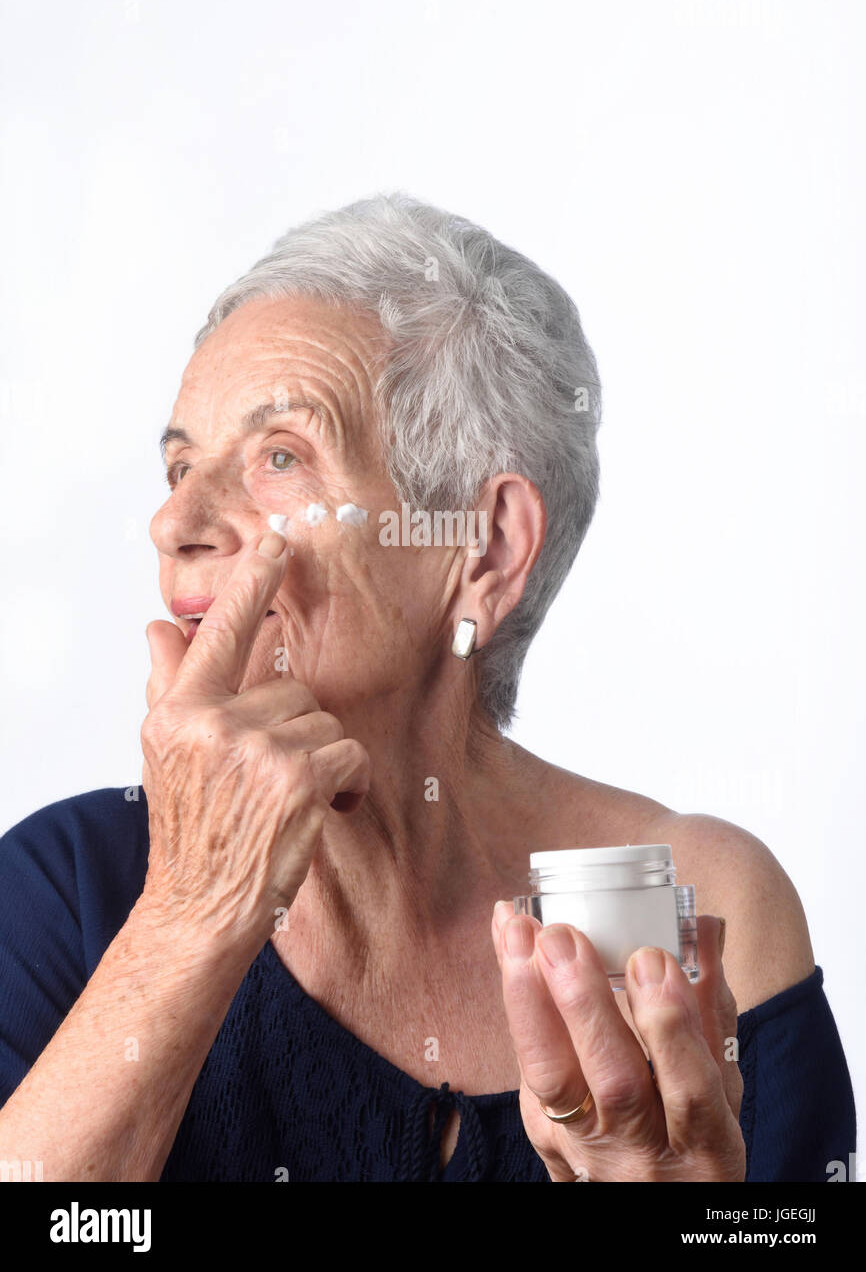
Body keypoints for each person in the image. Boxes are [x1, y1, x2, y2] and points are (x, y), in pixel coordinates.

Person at [0, 193, 855, 1181]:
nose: (176, 520)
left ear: (482, 547)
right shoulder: (66, 890)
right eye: (181, 464)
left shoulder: (696, 912)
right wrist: (195, 908)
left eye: (278, 456)